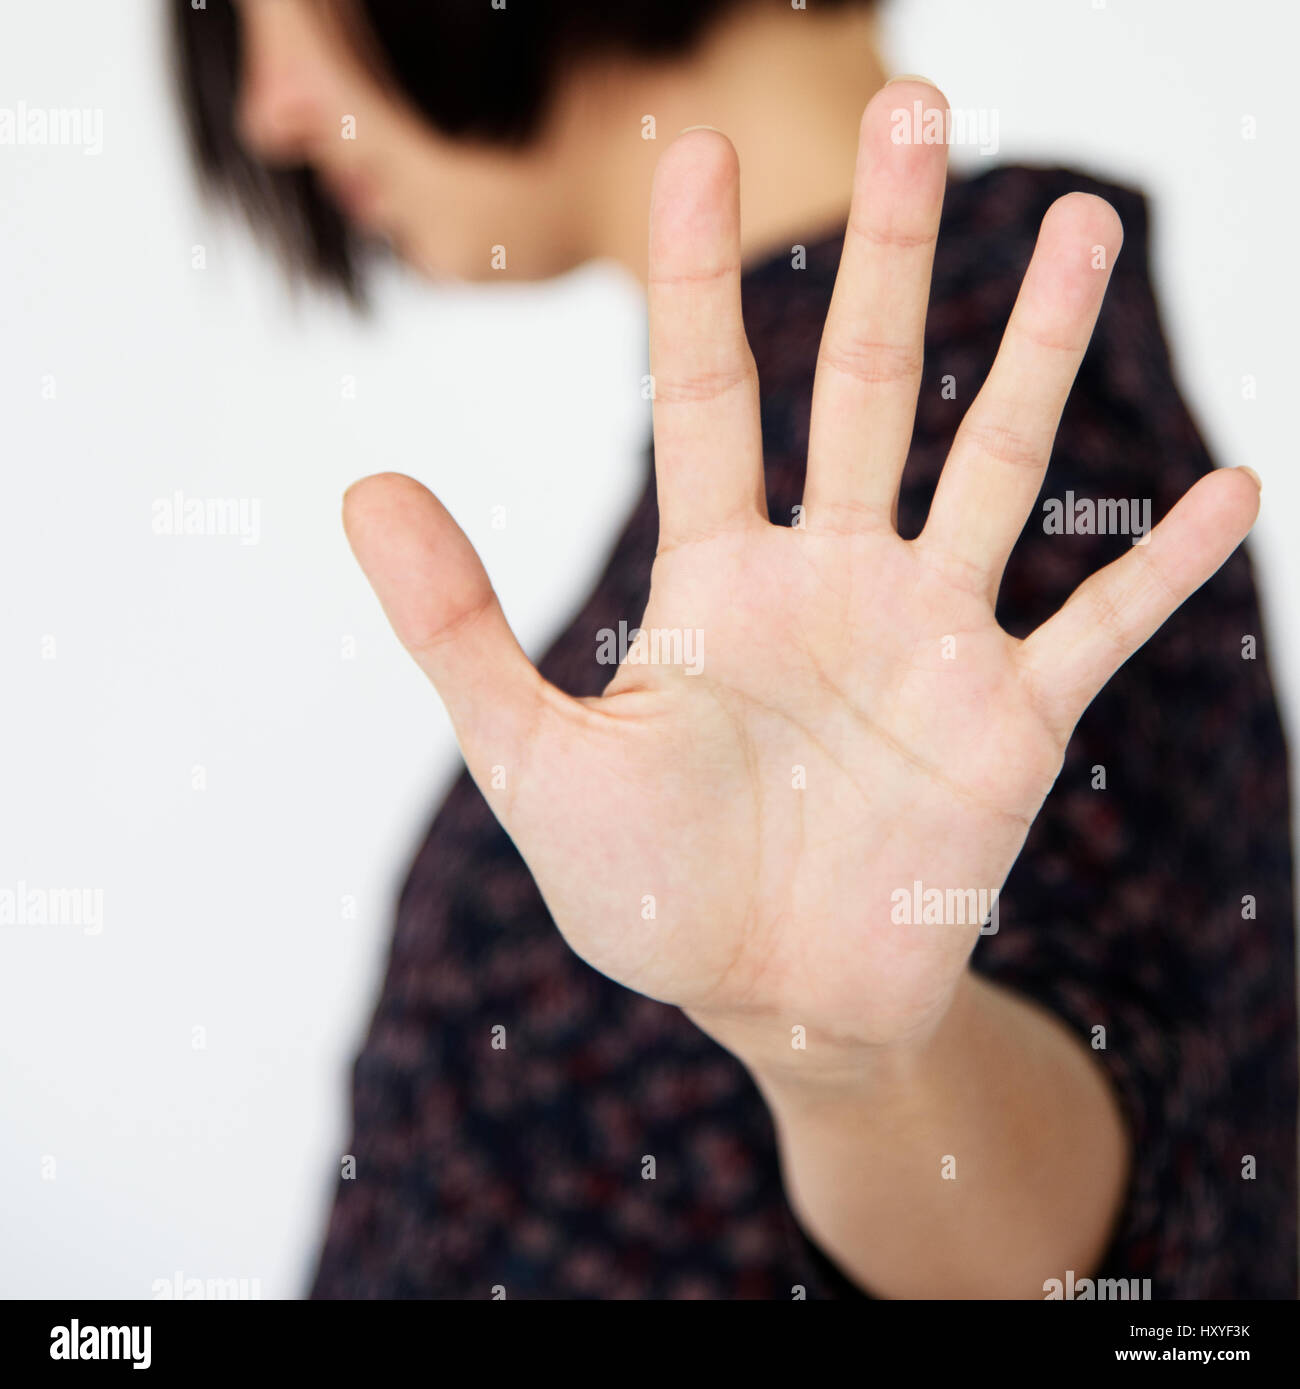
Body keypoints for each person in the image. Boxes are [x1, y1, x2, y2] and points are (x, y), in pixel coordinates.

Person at [174, 0, 1296, 1298]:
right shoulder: (817, 460)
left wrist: (853, 1063)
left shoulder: (969, 449)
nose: (264, 107)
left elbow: (1146, 1249)